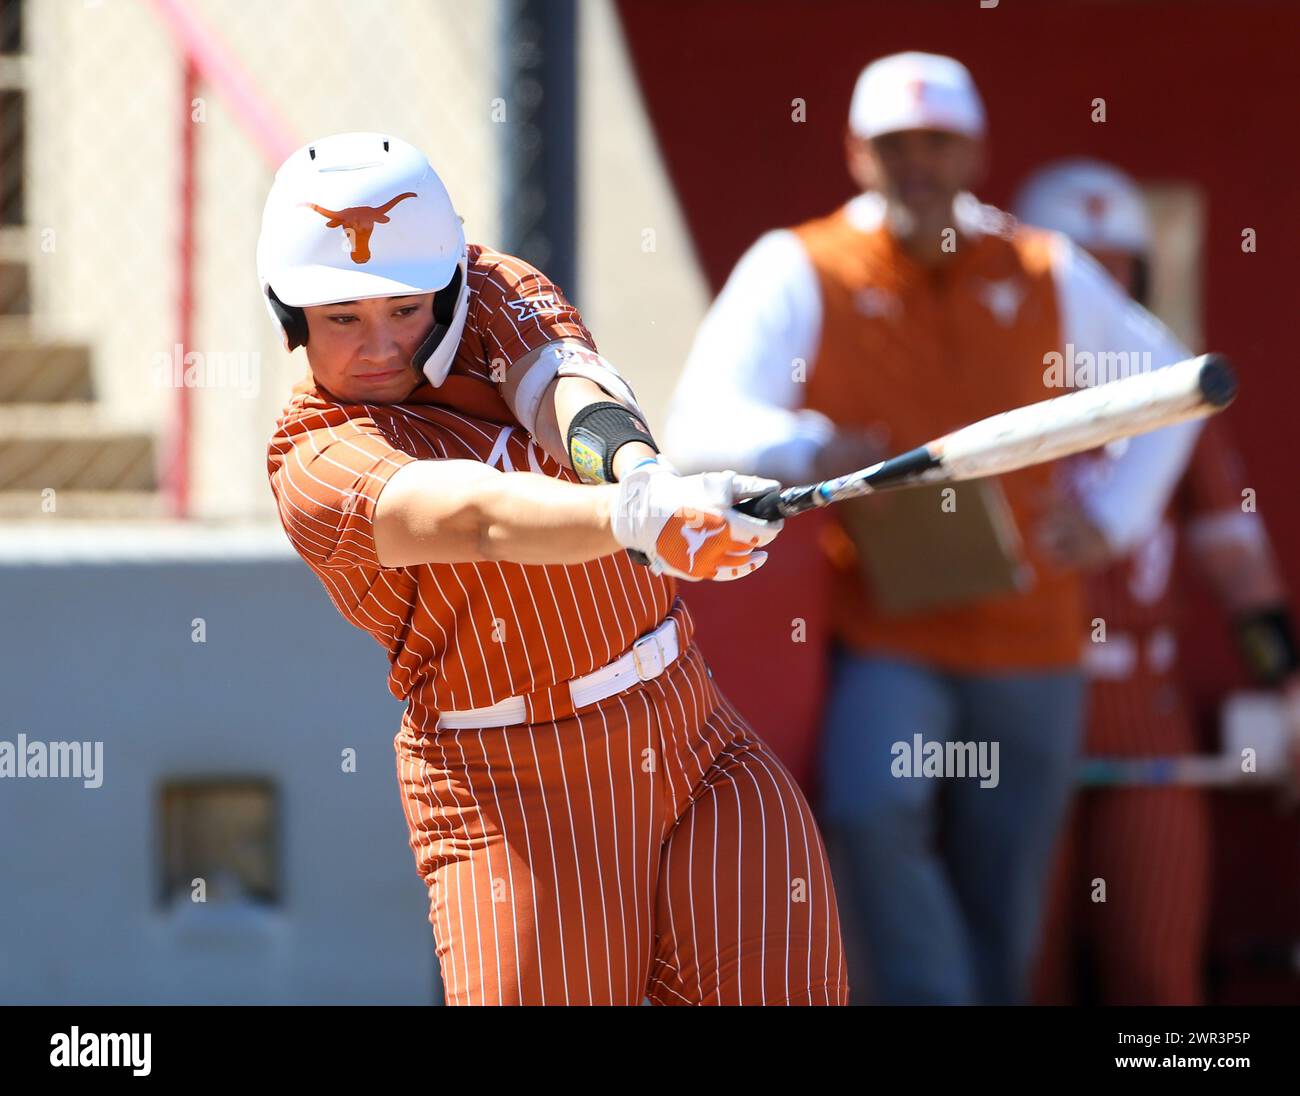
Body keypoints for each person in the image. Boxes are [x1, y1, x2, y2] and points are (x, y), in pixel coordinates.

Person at [259, 132, 847, 1005]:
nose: (379, 344)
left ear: (449, 287)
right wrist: (634, 519)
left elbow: (565, 390)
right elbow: (476, 514)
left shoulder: (490, 286)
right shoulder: (313, 458)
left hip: (689, 735)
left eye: (407, 310)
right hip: (512, 791)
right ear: (291, 316)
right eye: (343, 317)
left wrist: (644, 478)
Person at [663, 53, 1201, 1004]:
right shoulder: (804, 264)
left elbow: (1169, 383)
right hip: (890, 629)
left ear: (975, 152)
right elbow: (700, 426)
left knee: (1007, 885)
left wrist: (1113, 521)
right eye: (896, 145)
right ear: (857, 154)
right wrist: (814, 444)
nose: (918, 165)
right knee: (873, 811)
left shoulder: (1040, 266)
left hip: (1033, 633)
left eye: (938, 144)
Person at [1014, 158, 1300, 1005]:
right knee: (1026, 976)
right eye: (1080, 270)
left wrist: (1286, 683)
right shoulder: (989, 399)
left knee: (1155, 974)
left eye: (1119, 271)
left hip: (1148, 720)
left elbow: (1235, 560)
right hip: (1018, 705)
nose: (1102, 293)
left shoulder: (1178, 405)